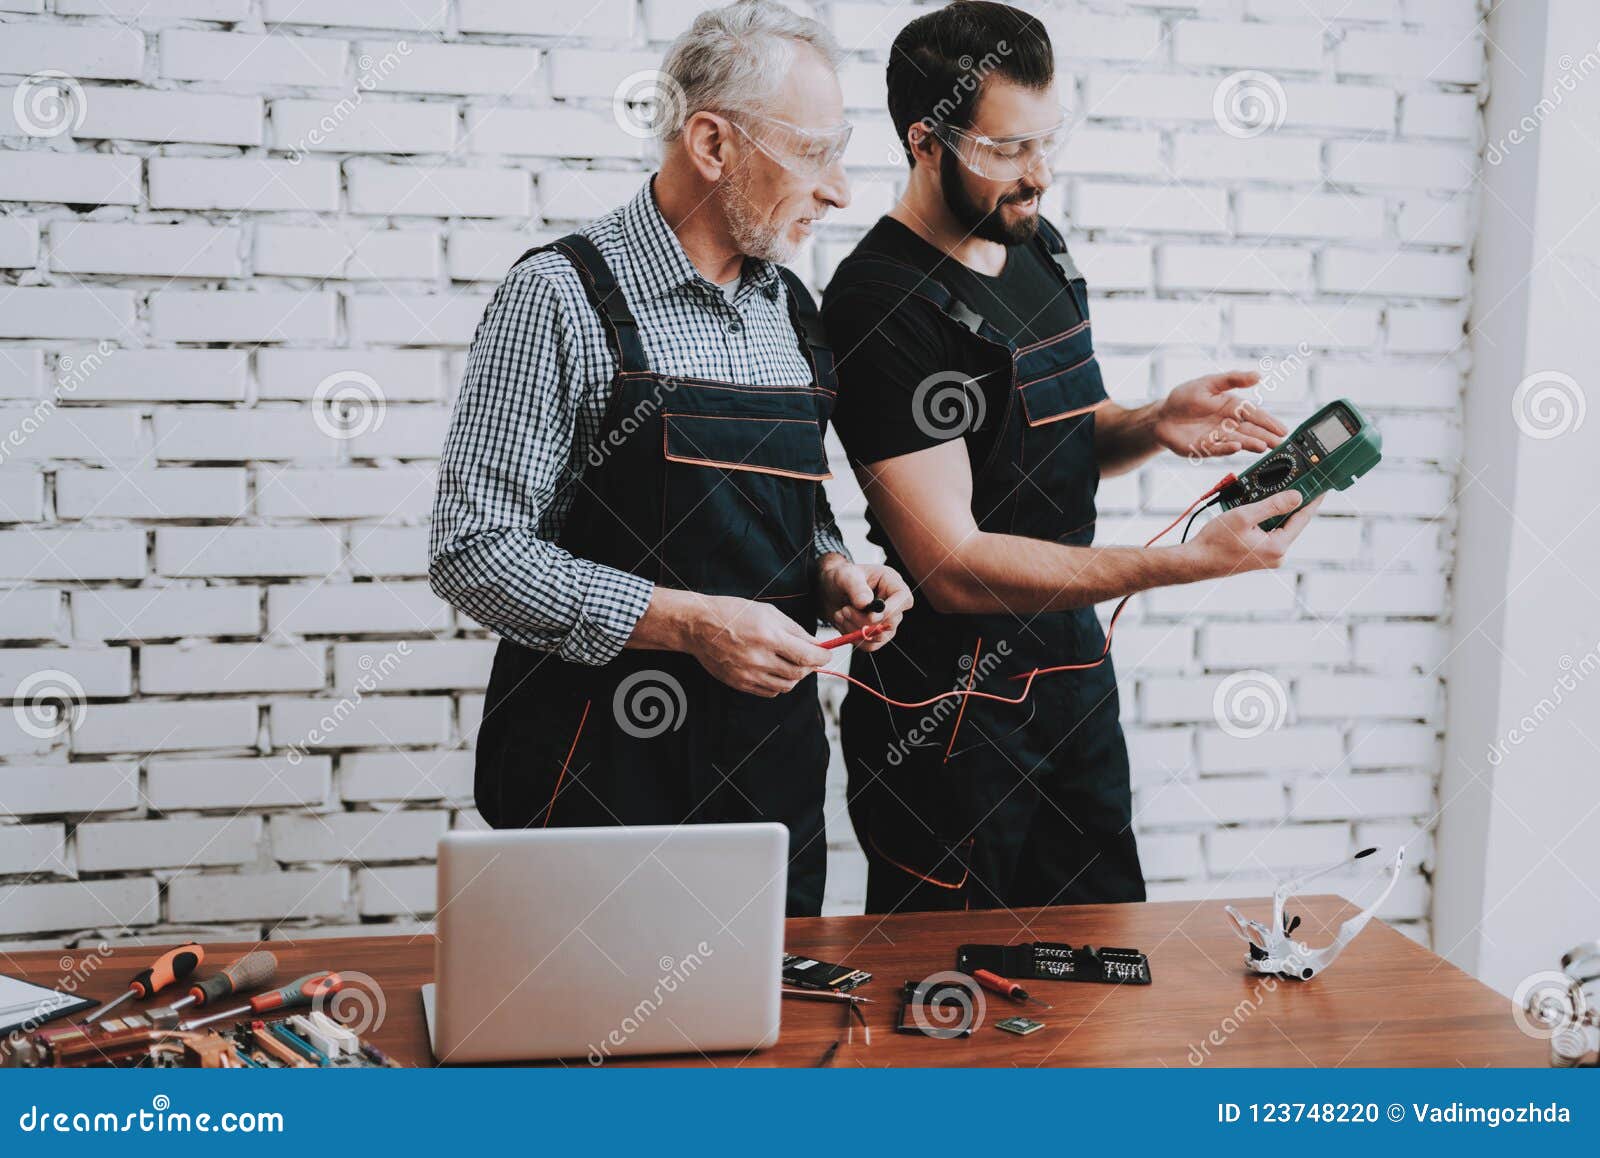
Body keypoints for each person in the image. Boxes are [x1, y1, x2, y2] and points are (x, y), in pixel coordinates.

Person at [822, 1, 1320, 915]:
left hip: (1072, 679)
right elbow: (954, 568)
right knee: (962, 1008)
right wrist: (1183, 565)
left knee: (1103, 968)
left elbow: (1069, 433)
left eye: (1048, 142)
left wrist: (1153, 421)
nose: (1039, 175)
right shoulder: (879, 305)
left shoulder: (1035, 244)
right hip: (951, 713)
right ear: (925, 141)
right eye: (1009, 150)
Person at [430, 0, 911, 917]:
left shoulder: (793, 315)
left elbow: (784, 510)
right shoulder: (560, 299)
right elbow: (474, 549)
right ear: (711, 143)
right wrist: (691, 624)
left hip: (768, 794)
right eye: (814, 153)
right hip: (592, 788)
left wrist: (836, 569)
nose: (841, 190)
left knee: (767, 1053)